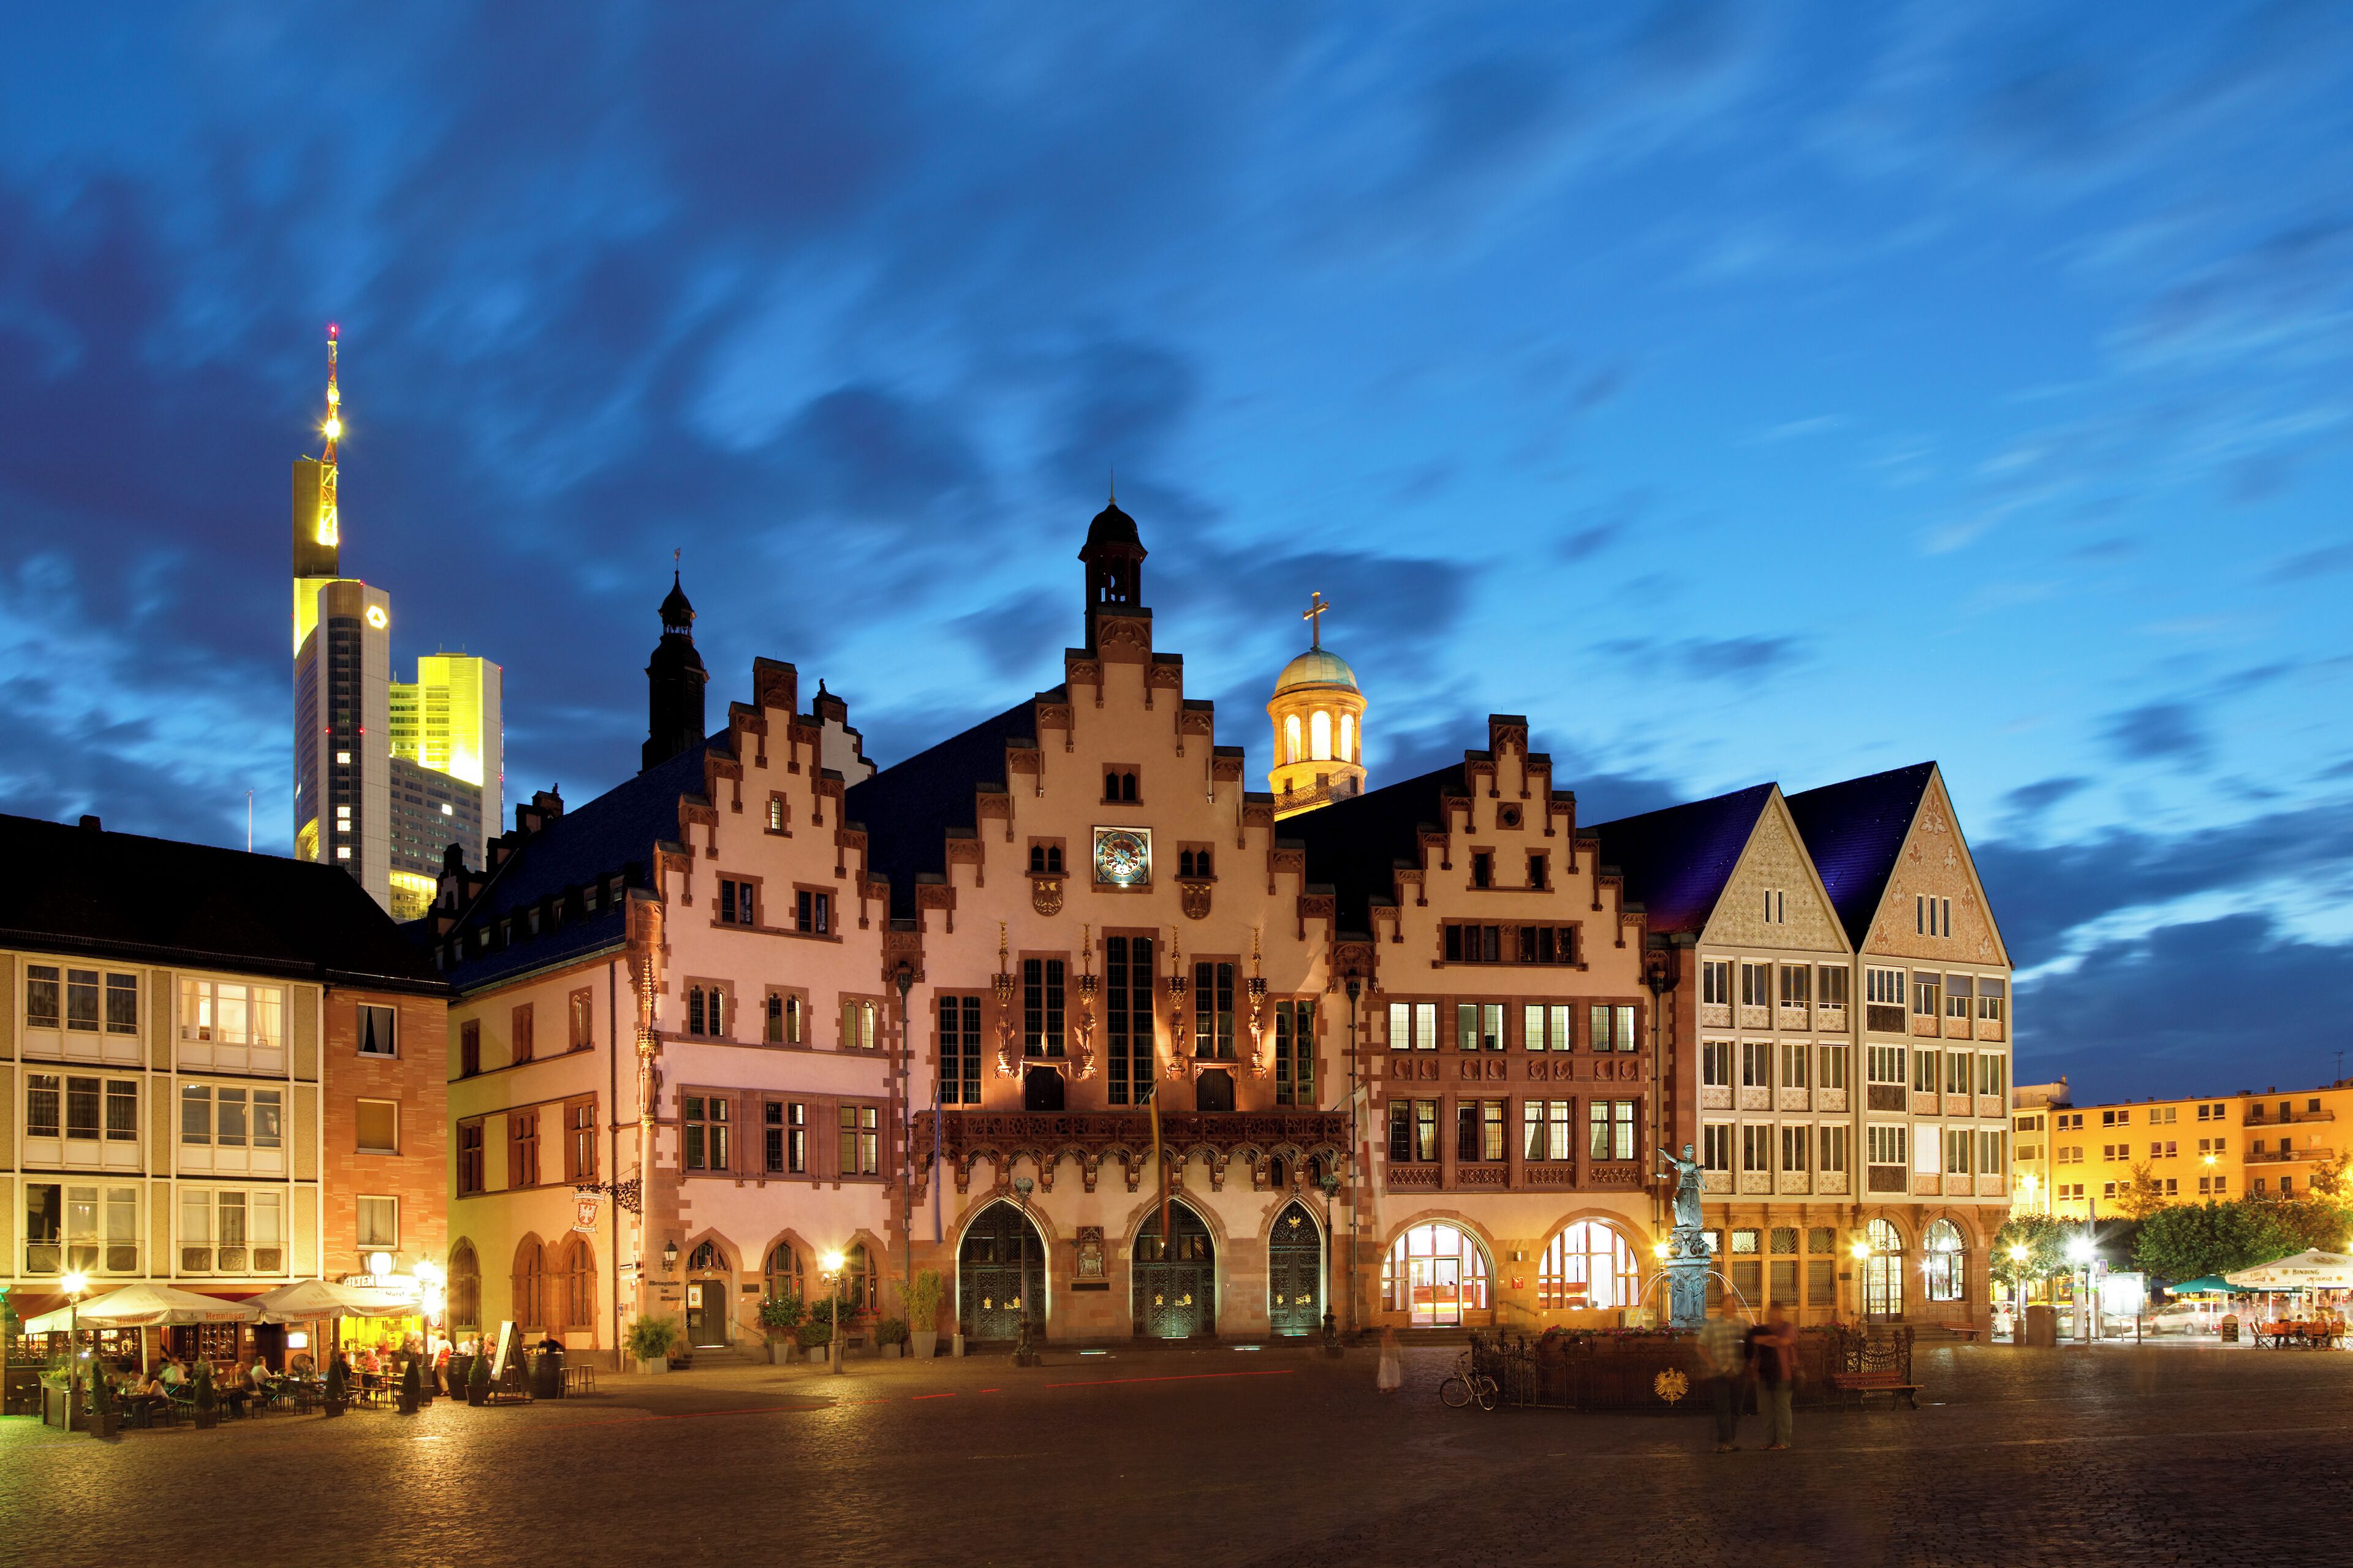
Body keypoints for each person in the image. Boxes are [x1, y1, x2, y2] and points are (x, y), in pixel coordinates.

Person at [1698, 1309, 1751, 1453]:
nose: (1731, 1306)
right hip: (1720, 1372)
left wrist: (1750, 1362)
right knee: (1723, 1409)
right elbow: (1701, 1345)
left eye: (1732, 1304)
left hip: (1738, 1372)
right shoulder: (1713, 1325)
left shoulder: (1743, 1324)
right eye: (1728, 1304)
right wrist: (1711, 1362)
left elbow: (1750, 1343)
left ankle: (1730, 1440)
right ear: (1723, 1306)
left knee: (1736, 1409)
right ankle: (1724, 1441)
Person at [1748, 1304, 1797, 1451]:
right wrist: (1772, 1339)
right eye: (1772, 1311)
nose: (1774, 1314)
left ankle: (1783, 1441)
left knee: (1782, 1407)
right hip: (1765, 1373)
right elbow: (1755, 1341)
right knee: (1767, 1409)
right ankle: (1770, 1441)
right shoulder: (1765, 1329)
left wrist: (1766, 1340)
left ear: (1781, 1312)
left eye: (1776, 1311)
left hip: (1783, 1373)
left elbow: (1784, 1342)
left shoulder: (1788, 1327)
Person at [1376, 1324, 1403, 1393]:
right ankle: (1385, 1386)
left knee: (1393, 1372)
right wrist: (1394, 1345)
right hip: (1385, 1357)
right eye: (1388, 1330)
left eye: (1390, 1330)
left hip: (1393, 1357)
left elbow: (1398, 1347)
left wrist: (1399, 1356)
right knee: (1385, 1372)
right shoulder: (1383, 1339)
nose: (1389, 1331)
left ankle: (1392, 1386)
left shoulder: (1394, 1338)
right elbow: (1385, 1346)